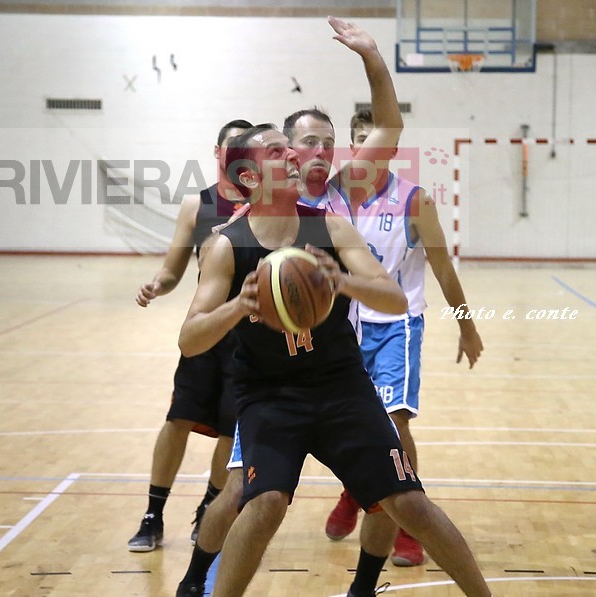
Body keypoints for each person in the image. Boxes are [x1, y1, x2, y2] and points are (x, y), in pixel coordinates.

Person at [179, 118, 491, 597]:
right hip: (270, 397)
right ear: (248, 177)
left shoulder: (329, 226)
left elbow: (393, 298)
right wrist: (239, 306)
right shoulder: (226, 246)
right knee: (262, 504)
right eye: (275, 152)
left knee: (409, 502)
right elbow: (189, 339)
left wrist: (341, 281)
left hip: (341, 387)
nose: (290, 155)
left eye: (290, 149)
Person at [176, 16, 405, 596]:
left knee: (394, 475)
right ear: (285, 148)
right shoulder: (265, 209)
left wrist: (372, 57)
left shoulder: (345, 188)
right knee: (241, 493)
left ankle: (366, 580)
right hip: (273, 368)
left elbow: (389, 125)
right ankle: (197, 575)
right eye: (308, 141)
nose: (320, 150)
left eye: (328, 141)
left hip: (340, 355)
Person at [323, 107, 485, 570]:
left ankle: (407, 523)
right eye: (357, 140)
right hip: (347, 324)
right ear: (352, 147)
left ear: (391, 149)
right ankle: (358, 492)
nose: (364, 149)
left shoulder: (415, 201)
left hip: (399, 324)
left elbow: (442, 267)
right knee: (352, 424)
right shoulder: (334, 195)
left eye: (374, 140)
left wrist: (466, 325)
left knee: (395, 423)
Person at [127, 119, 252, 552]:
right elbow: (173, 269)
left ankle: (209, 505)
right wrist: (156, 286)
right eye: (230, 145)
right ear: (217, 152)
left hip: (249, 337)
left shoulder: (268, 206)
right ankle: (153, 513)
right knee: (177, 418)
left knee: (227, 431)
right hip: (205, 331)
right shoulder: (198, 206)